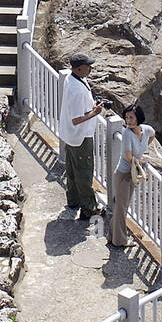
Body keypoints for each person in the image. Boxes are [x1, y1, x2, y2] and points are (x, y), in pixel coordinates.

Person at [59, 53, 106, 220]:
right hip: (81, 136)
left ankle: (73, 200)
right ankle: (89, 208)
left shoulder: (73, 79)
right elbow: (77, 119)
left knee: (72, 170)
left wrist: (92, 105)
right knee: (84, 172)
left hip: (70, 135)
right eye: (88, 66)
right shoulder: (77, 90)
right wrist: (95, 112)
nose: (90, 68)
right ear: (79, 68)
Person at [108, 104, 155, 248]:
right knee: (121, 208)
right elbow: (128, 157)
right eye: (126, 117)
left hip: (131, 174)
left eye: (131, 117)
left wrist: (142, 149)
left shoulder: (146, 129)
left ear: (138, 117)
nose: (128, 120)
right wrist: (141, 160)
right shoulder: (127, 133)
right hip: (123, 174)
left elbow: (152, 135)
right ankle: (120, 241)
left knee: (121, 206)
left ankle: (112, 236)